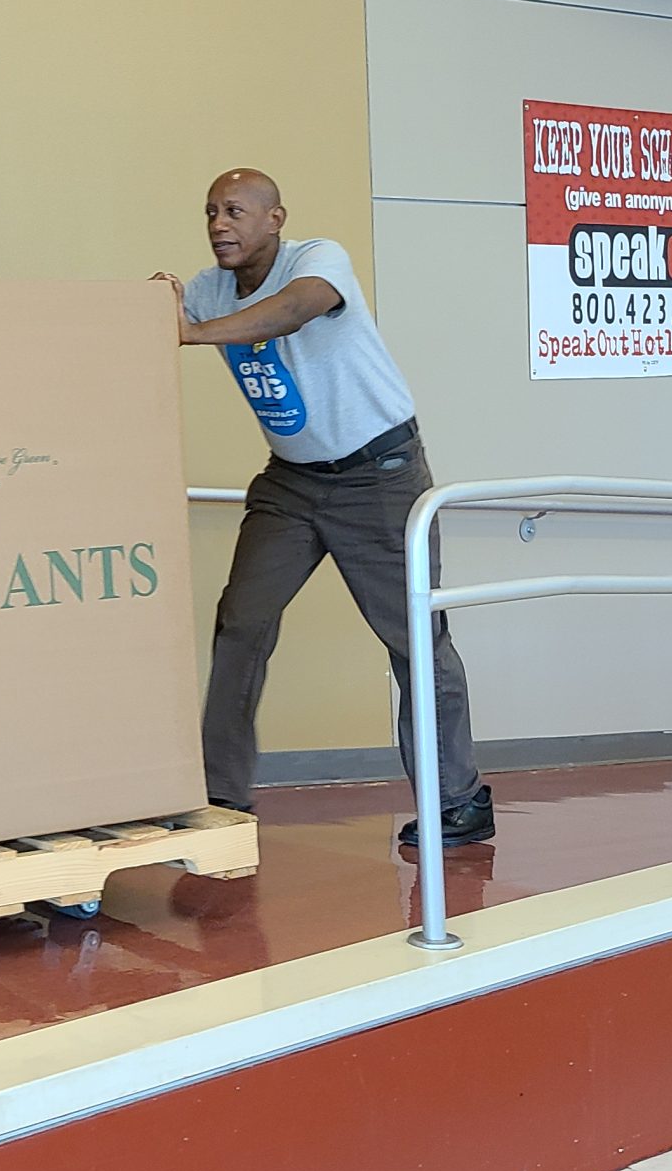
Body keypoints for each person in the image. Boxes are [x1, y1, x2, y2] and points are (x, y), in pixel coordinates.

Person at [156, 167, 491, 850]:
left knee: (414, 643)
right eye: (212, 212)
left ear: (275, 220)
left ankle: (458, 800)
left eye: (237, 212)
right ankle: (220, 797)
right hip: (292, 482)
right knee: (241, 622)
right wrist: (152, 300)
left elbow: (295, 309)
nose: (221, 224)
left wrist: (192, 332)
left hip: (380, 474)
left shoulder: (316, 260)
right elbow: (151, 316)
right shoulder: (210, 287)